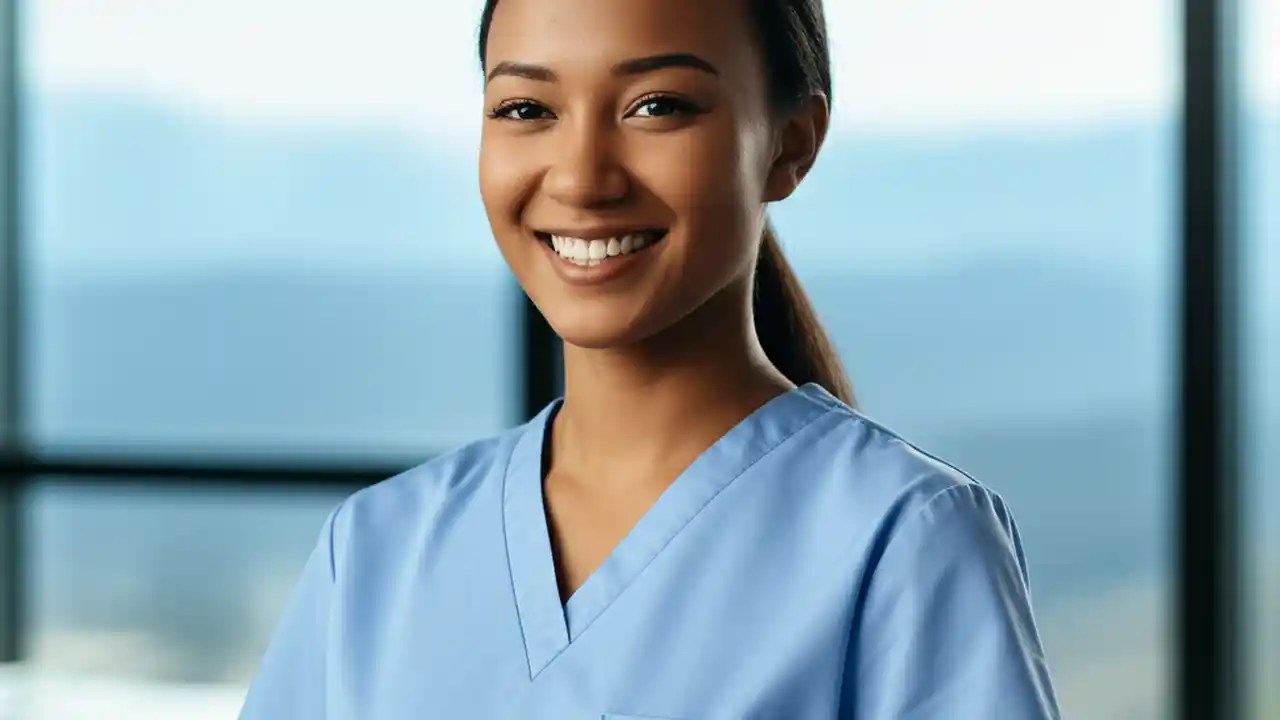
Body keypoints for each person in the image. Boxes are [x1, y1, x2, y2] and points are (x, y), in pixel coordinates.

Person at [240, 0, 1062, 717]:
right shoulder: (380, 550)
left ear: (791, 145)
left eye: (657, 105)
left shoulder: (902, 538)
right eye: (527, 109)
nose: (582, 178)